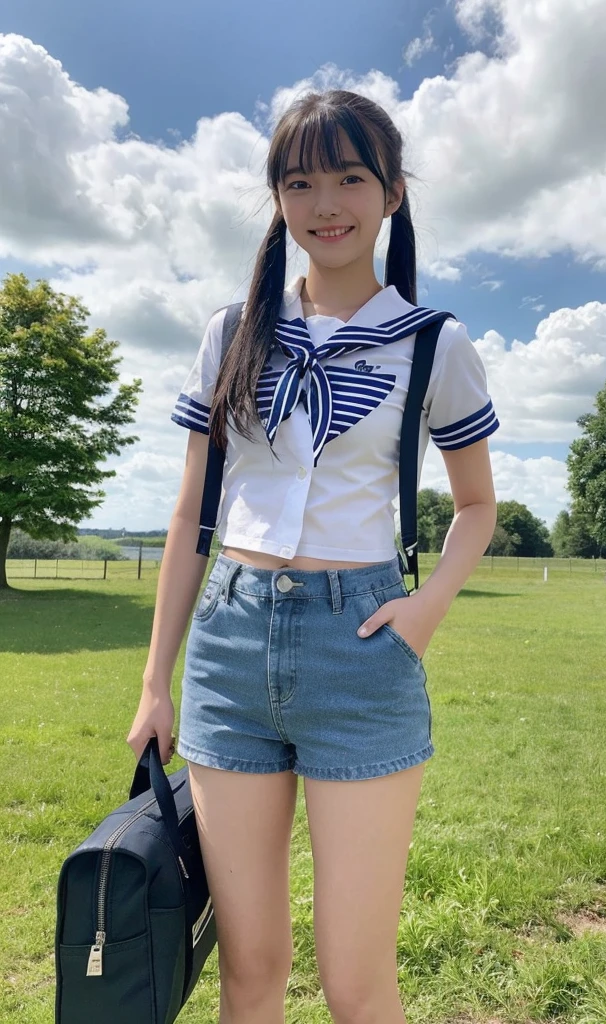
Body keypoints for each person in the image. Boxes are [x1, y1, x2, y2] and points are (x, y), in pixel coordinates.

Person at [127, 89, 499, 1024]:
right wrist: (155, 681)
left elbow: (477, 504)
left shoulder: (432, 344)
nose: (325, 202)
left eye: (349, 177)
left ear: (392, 193)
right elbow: (189, 515)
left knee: (356, 984)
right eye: (300, 182)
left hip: (361, 646)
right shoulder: (232, 332)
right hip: (229, 645)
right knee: (248, 969)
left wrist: (428, 606)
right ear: (278, 200)